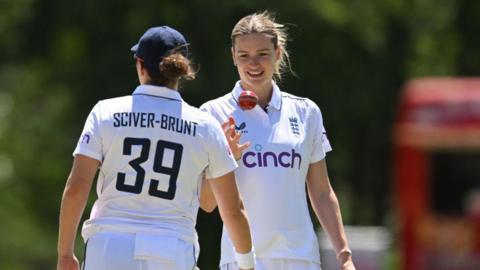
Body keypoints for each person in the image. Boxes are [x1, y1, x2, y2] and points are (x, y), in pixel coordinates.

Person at [57, 26, 255, 270]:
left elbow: (77, 187)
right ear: (181, 70)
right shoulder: (206, 126)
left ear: (140, 65)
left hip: (109, 248)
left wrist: (65, 254)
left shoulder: (105, 112)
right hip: (173, 250)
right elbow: (232, 210)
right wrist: (247, 264)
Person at [200, 12, 356, 270]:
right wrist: (226, 158)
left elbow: (321, 191)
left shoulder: (306, 112)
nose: (254, 63)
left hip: (301, 259)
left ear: (278, 53)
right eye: (244, 56)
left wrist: (345, 256)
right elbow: (206, 203)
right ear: (233, 57)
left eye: (262, 53)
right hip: (241, 261)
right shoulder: (212, 114)